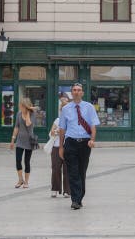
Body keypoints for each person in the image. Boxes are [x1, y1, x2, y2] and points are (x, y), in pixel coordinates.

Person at [58, 82, 100, 210]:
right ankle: (75, 200)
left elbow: (93, 125)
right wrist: (61, 146)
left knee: (82, 172)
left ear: (82, 93)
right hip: (70, 142)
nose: (76, 92)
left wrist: (92, 139)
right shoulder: (65, 109)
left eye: (79, 90)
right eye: (74, 90)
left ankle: (79, 197)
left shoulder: (89, 107)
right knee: (73, 172)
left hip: (85, 143)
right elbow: (62, 129)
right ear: (72, 92)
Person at [10, 98, 37, 189]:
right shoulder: (18, 114)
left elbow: (28, 124)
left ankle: (26, 182)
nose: (19, 107)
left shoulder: (33, 114)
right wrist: (13, 140)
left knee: (27, 161)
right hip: (20, 140)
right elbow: (16, 127)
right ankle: (20, 179)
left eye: (21, 106)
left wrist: (28, 112)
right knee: (18, 160)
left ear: (25, 106)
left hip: (29, 141)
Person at [49, 97, 70, 198]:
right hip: (56, 147)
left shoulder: (72, 121)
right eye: (63, 109)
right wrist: (56, 131)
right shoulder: (57, 120)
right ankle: (55, 189)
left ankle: (67, 191)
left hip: (68, 148)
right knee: (56, 169)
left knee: (68, 170)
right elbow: (51, 133)